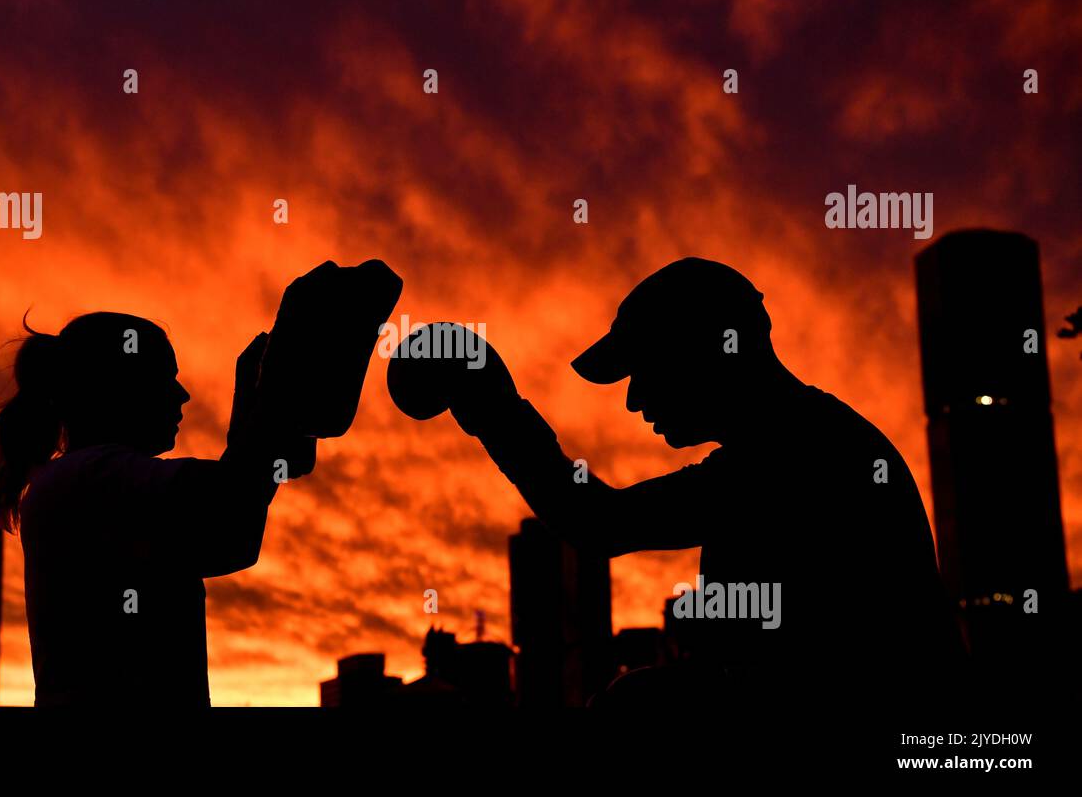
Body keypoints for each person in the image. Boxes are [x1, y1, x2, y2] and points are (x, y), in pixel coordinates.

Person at [388, 258, 967, 698]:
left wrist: (488, 398)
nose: (635, 400)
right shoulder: (796, 443)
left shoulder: (794, 453)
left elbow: (598, 523)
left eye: (646, 370)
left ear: (704, 352)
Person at [0, 311, 309, 706]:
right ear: (117, 386)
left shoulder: (76, 481)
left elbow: (232, 519)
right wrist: (264, 409)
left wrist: (260, 421)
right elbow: (228, 518)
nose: (181, 394)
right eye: (164, 377)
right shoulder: (92, 478)